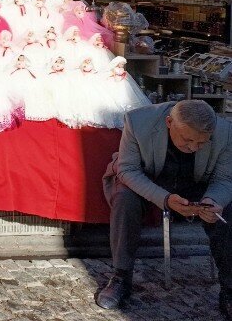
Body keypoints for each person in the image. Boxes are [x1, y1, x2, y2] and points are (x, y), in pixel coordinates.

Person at [97, 100, 232, 317]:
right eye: (187, 140)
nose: (193, 148)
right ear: (169, 122)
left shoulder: (225, 132)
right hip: (148, 178)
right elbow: (127, 169)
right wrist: (165, 199)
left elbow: (224, 179)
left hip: (196, 182)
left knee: (227, 209)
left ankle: (229, 288)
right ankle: (121, 276)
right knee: (124, 198)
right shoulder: (138, 121)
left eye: (202, 143)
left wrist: (213, 200)